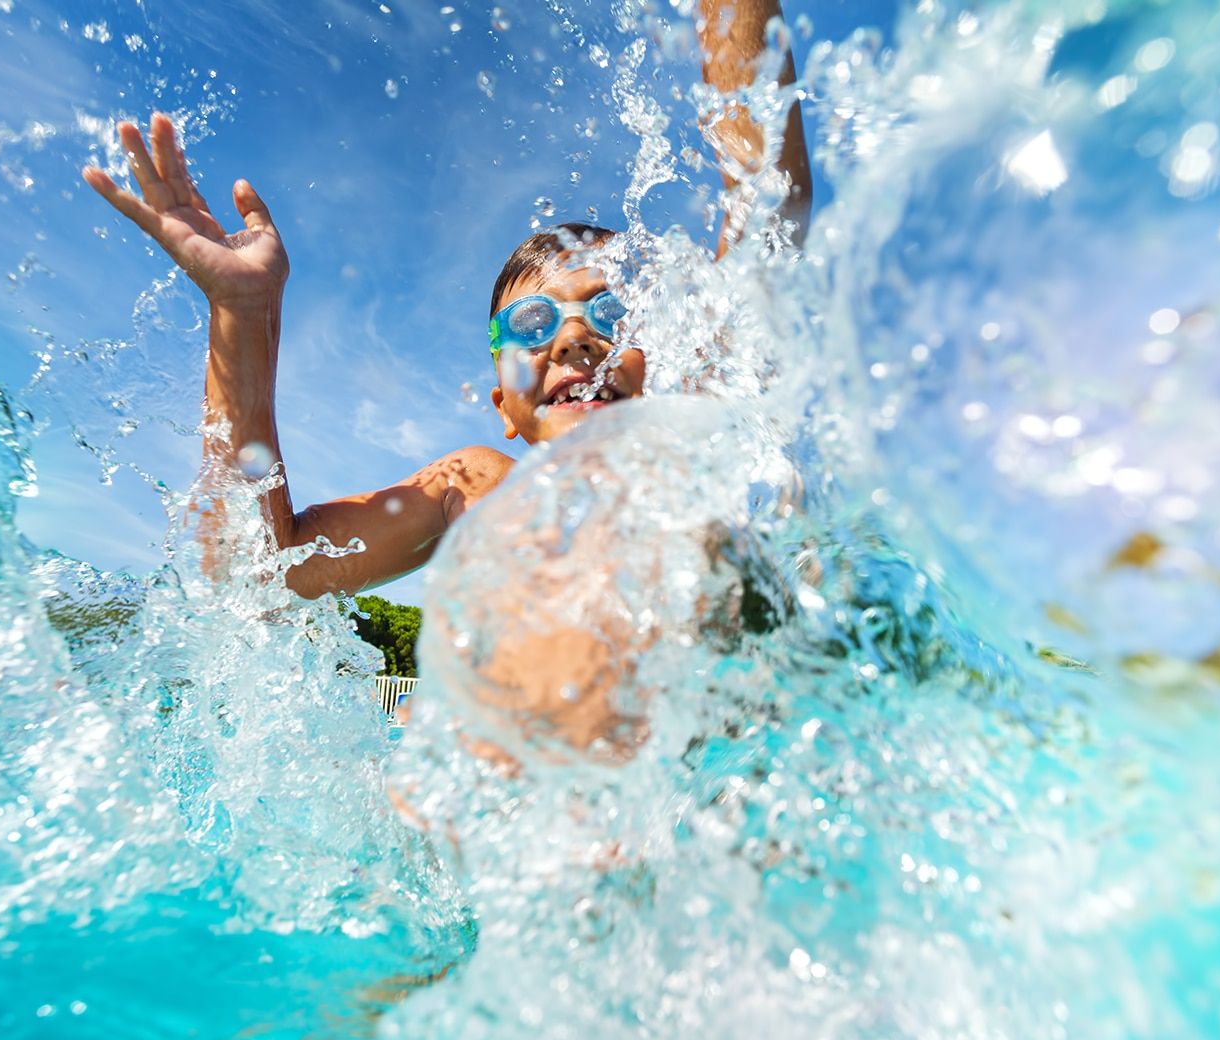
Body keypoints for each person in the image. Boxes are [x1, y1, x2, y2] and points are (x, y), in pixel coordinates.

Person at [81, 0, 812, 607]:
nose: (576, 337)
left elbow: (768, 208)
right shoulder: (477, 486)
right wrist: (242, 317)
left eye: (613, 313)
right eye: (533, 323)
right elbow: (258, 573)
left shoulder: (713, 464)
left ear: (665, 351)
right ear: (505, 408)